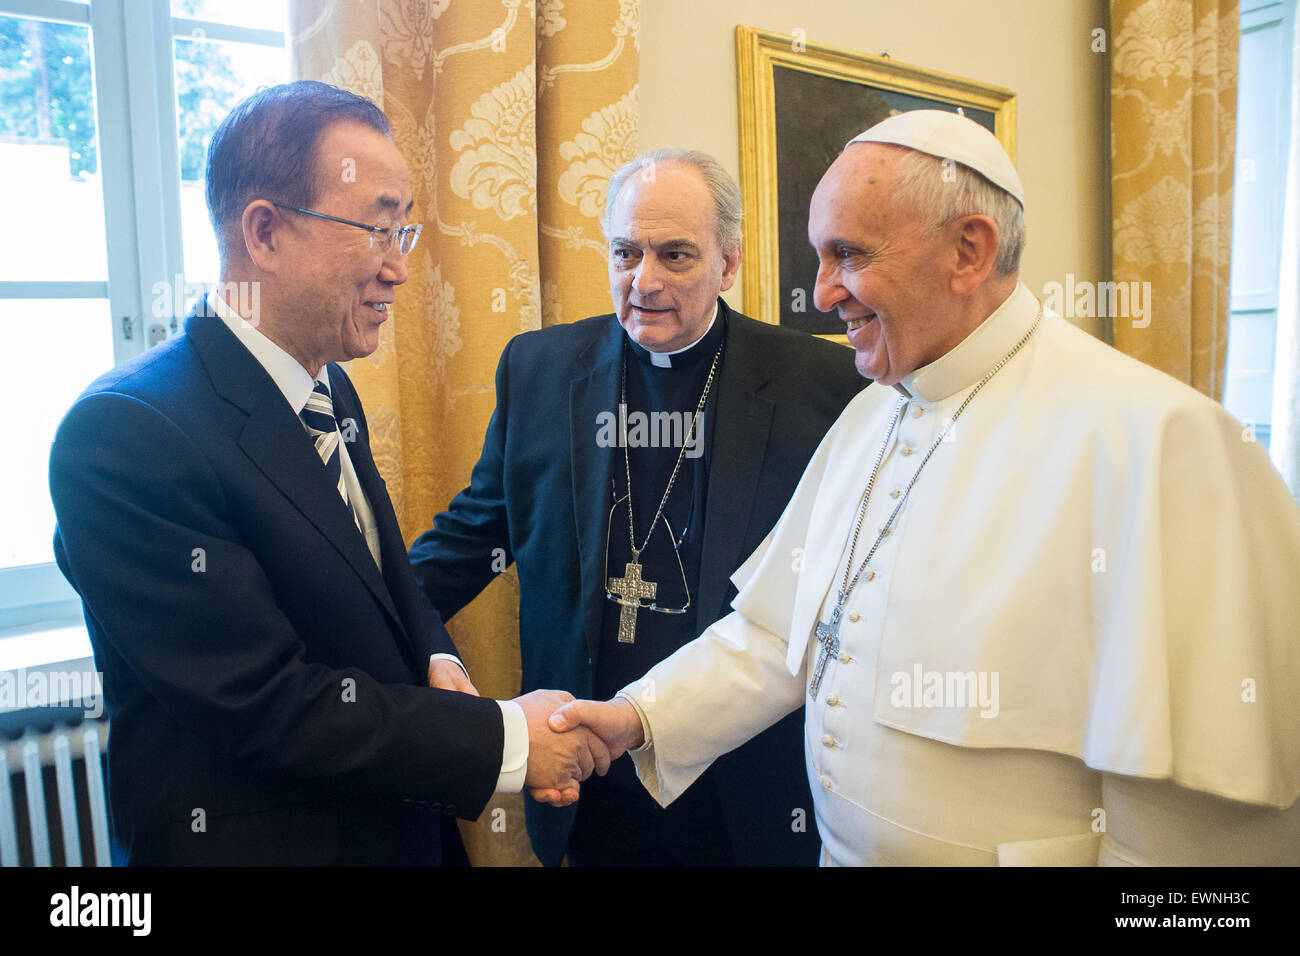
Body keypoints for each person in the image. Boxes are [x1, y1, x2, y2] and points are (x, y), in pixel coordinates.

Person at [547, 111, 1300, 865]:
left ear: (969, 250)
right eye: (820, 257)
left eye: (849, 255)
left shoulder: (1160, 442)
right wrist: (637, 716)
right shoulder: (870, 414)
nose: (822, 292)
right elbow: (781, 636)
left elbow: (1194, 832)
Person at [48, 81, 607, 866]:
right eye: (377, 229)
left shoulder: (328, 388)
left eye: (403, 230)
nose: (399, 268)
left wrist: (434, 657)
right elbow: (264, 703)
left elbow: (376, 580)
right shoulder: (126, 434)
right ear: (266, 233)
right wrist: (508, 740)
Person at [408, 148, 864, 866]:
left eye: (675, 255)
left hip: (743, 784)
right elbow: (471, 537)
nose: (643, 281)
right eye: (625, 253)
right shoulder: (540, 370)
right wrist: (397, 627)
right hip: (588, 771)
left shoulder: (823, 385)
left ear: (728, 263)